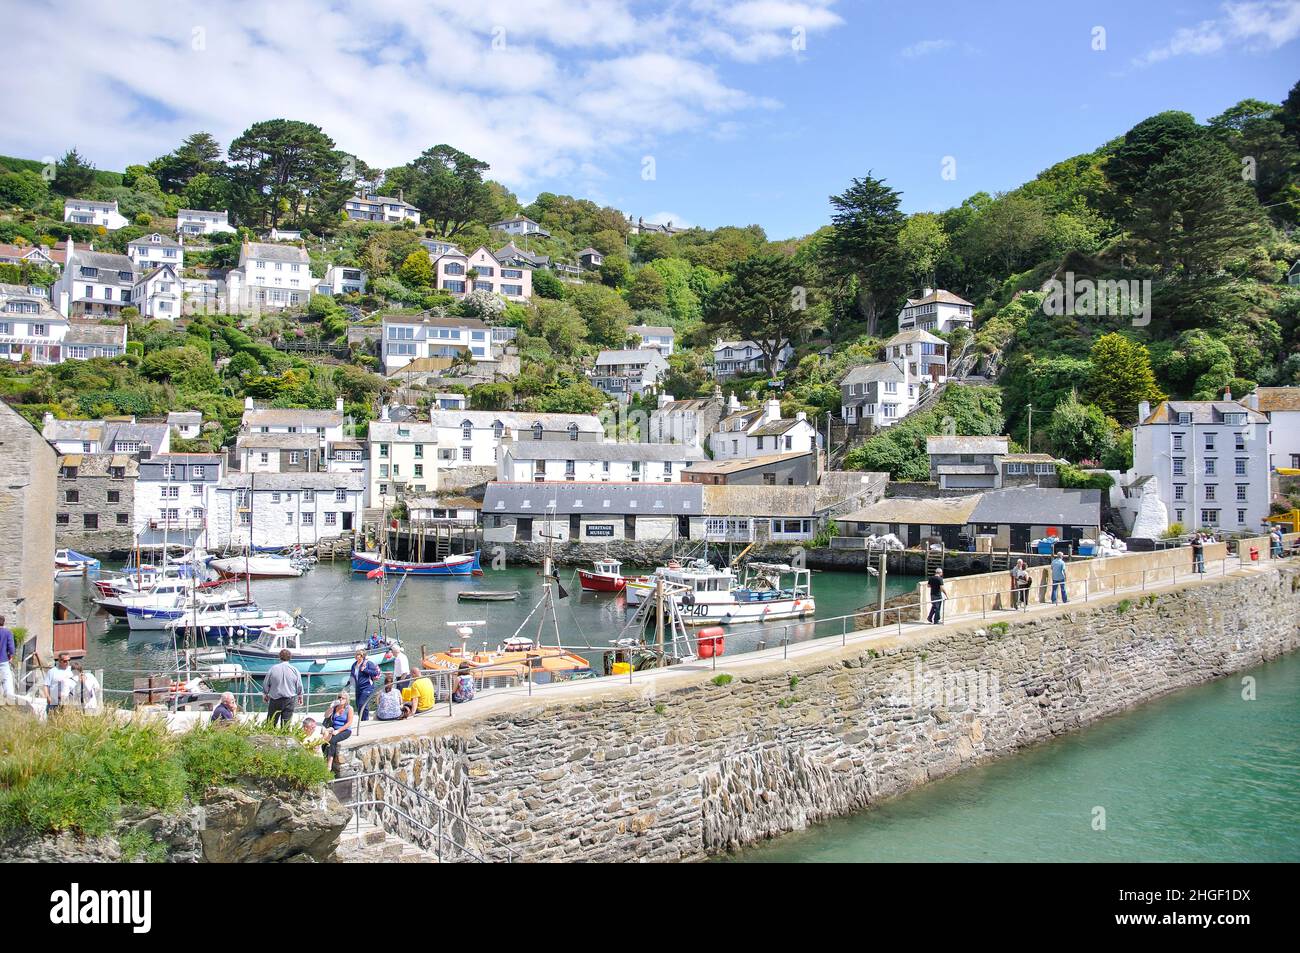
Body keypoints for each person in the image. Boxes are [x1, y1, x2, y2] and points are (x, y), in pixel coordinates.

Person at [263, 648, 304, 727]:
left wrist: (265, 694)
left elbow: (266, 683)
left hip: (275, 700)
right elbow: (299, 685)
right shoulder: (294, 670)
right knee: (286, 725)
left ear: (279, 657)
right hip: (289, 700)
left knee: (271, 723)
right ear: (290, 657)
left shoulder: (273, 669)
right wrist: (300, 696)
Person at [320, 691, 355, 771]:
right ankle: (321, 757)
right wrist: (331, 707)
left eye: (343, 698)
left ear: (346, 700)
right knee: (323, 739)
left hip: (345, 730)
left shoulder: (349, 708)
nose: (341, 699)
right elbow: (326, 715)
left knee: (332, 741)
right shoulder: (335, 707)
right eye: (339, 697)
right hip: (334, 728)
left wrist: (338, 731)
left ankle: (329, 764)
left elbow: (349, 723)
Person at [350, 650, 381, 721]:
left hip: (367, 687)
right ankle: (361, 719)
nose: (355, 656)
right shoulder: (354, 665)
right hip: (358, 688)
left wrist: (365, 670)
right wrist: (349, 684)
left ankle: (365, 720)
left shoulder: (368, 663)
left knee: (362, 703)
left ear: (362, 656)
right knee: (358, 705)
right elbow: (352, 675)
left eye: (357, 654)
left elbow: (375, 673)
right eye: (356, 654)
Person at [0, 615, 16, 701]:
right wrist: (11, 656)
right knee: (7, 680)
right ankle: (10, 700)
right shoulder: (7, 632)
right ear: (4, 622)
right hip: (3, 660)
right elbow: (11, 647)